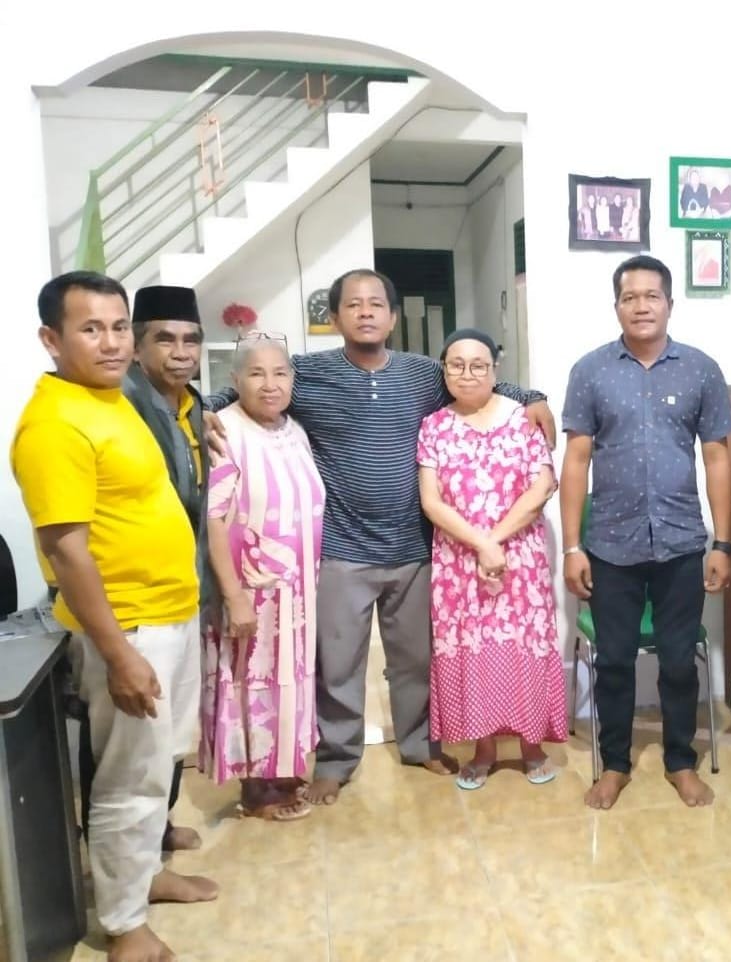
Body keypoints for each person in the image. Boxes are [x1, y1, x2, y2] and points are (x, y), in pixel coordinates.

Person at [206, 268, 555, 806]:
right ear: (335, 316)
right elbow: (254, 379)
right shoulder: (308, 373)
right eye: (354, 304)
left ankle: (419, 746)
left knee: (415, 661)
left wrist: (531, 395)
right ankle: (337, 759)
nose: (366, 312)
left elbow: (474, 375)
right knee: (338, 664)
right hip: (343, 548)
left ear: (392, 317)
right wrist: (207, 406)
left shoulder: (421, 373)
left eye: (376, 304)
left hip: (413, 548)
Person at [12, 271, 217, 962]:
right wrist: (120, 654)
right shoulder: (53, 424)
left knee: (160, 763)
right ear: (52, 338)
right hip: (128, 626)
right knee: (129, 778)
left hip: (169, 610)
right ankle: (125, 925)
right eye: (90, 328)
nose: (110, 342)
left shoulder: (110, 399)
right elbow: (66, 550)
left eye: (119, 326)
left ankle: (146, 875)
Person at [560, 254, 731, 810]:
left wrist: (724, 543)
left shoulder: (701, 369)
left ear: (669, 304)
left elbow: (716, 458)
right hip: (611, 544)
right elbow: (576, 461)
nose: (641, 306)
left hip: (681, 541)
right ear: (616, 306)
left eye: (651, 295)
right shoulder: (590, 371)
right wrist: (571, 546)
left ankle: (680, 761)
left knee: (679, 660)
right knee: (613, 660)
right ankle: (615, 764)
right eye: (629, 297)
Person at [75, 284, 209, 859]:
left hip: (177, 588)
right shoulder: (124, 402)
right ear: (137, 346)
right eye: (164, 339)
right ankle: (129, 866)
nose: (180, 353)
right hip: (130, 602)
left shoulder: (191, 403)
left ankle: (156, 837)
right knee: (126, 751)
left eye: (191, 341)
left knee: (164, 736)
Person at [416, 328, 567, 790]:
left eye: (478, 365)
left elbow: (543, 485)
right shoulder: (433, 426)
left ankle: (531, 745)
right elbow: (431, 501)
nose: (467, 374)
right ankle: (483, 749)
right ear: (444, 370)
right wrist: (480, 545)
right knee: (472, 651)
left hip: (519, 556)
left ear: (495, 370)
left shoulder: (524, 419)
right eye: (456, 365)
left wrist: (494, 540)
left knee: (524, 647)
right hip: (458, 562)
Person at [200, 333, 325, 821]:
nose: (270, 384)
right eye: (256, 373)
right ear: (235, 381)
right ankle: (256, 789)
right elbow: (213, 520)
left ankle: (282, 768)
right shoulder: (226, 432)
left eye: (279, 373)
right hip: (253, 591)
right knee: (250, 684)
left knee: (290, 680)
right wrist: (233, 597)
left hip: (298, 592)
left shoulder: (295, 429)